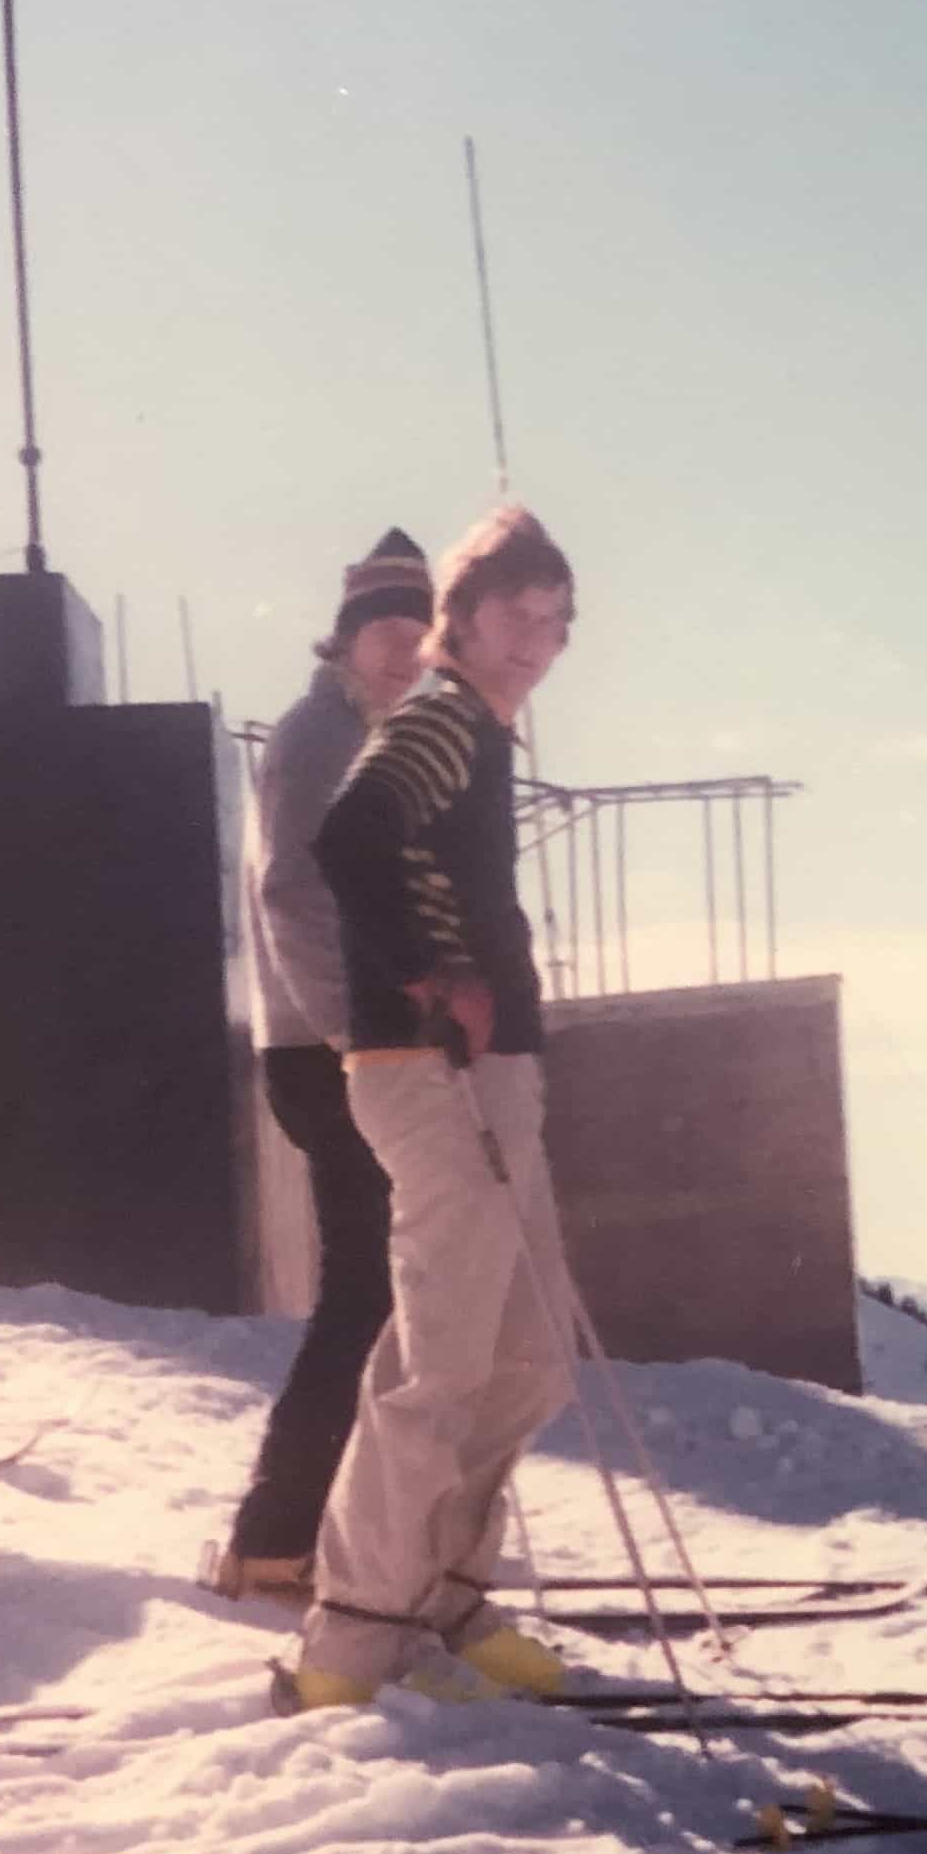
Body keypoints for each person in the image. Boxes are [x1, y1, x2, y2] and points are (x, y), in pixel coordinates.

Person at [277, 500, 583, 1709]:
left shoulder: (477, 730)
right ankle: (351, 1640)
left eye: (556, 621)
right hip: (430, 1067)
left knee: (528, 1352)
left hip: (489, 1070)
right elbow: (350, 838)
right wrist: (430, 975)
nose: (537, 640)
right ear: (460, 616)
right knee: (441, 1360)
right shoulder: (442, 715)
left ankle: (444, 1590)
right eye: (517, 613)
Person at [213, 530, 435, 1600]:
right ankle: (277, 1535)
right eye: (386, 630)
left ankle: (307, 1528)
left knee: (379, 1292)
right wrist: (358, 1034)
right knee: (365, 1294)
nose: (405, 651)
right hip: (329, 1050)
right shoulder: (320, 735)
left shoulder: (366, 734)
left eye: (420, 634)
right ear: (344, 640)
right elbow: (290, 892)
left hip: (345, 1044)